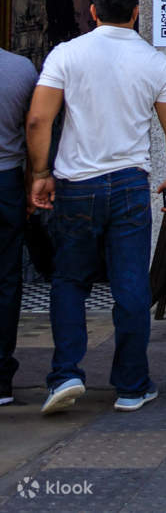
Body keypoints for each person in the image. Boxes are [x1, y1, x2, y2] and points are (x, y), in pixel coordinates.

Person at [25, 0, 166, 414]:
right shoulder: (157, 62)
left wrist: (40, 173)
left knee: (69, 280)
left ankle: (64, 374)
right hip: (130, 184)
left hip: (76, 184)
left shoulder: (66, 54)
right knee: (131, 285)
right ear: (136, 14)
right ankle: (133, 385)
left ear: (93, 12)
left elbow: (39, 121)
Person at [1, 46, 37, 408]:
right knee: (6, 279)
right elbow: (34, 127)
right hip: (6, 181)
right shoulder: (20, 69)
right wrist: (34, 178)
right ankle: (0, 379)